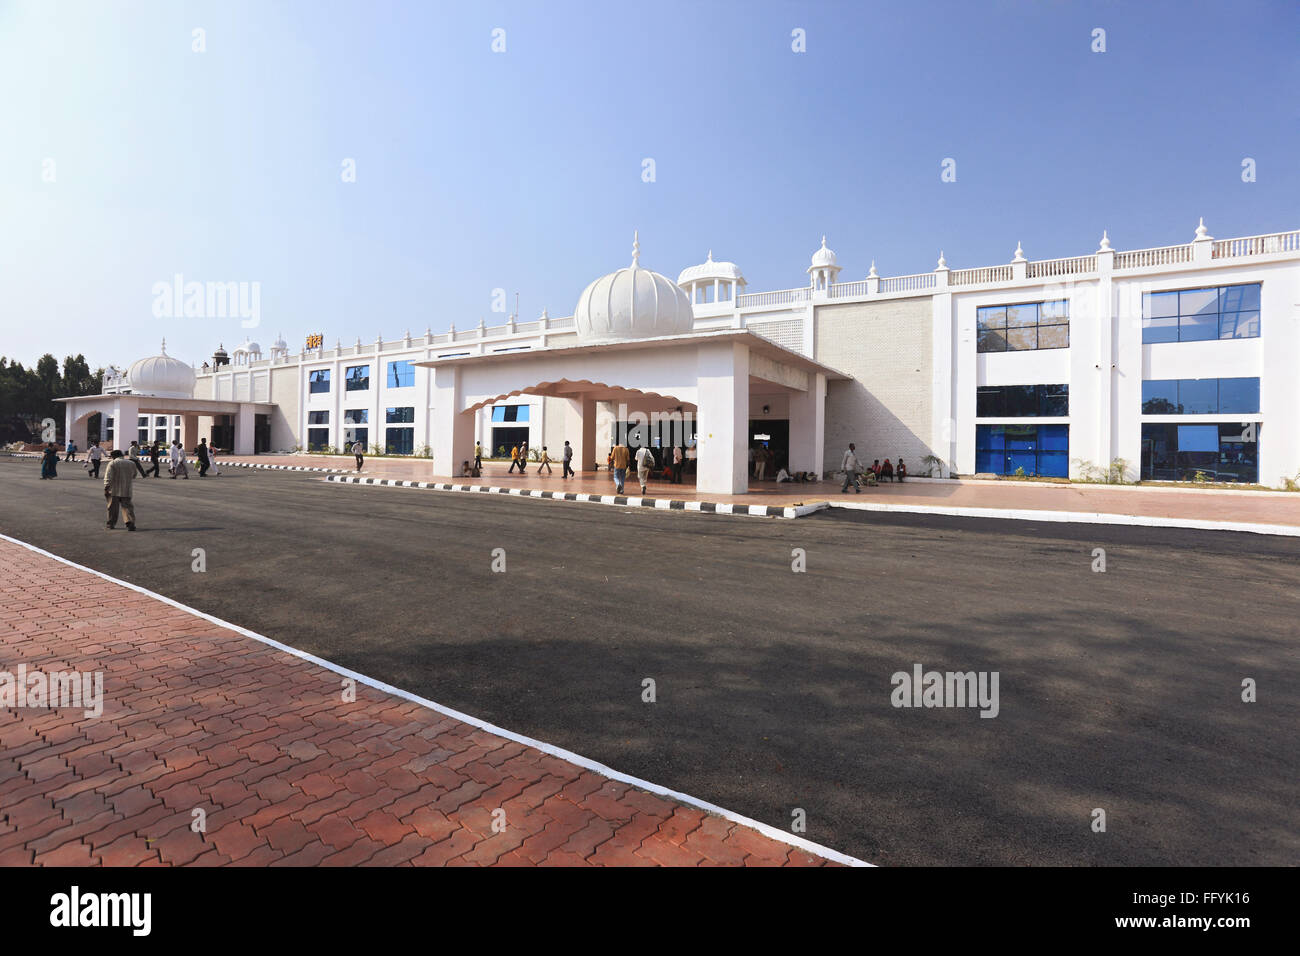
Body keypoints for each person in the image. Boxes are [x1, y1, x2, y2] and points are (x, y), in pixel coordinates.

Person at [103, 449, 138, 531]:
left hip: (114, 489)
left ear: (113, 456)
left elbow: (108, 476)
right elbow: (134, 475)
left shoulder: (113, 463)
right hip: (127, 489)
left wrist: (106, 487)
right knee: (127, 507)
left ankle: (111, 524)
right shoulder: (131, 463)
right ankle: (130, 523)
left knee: (112, 508)